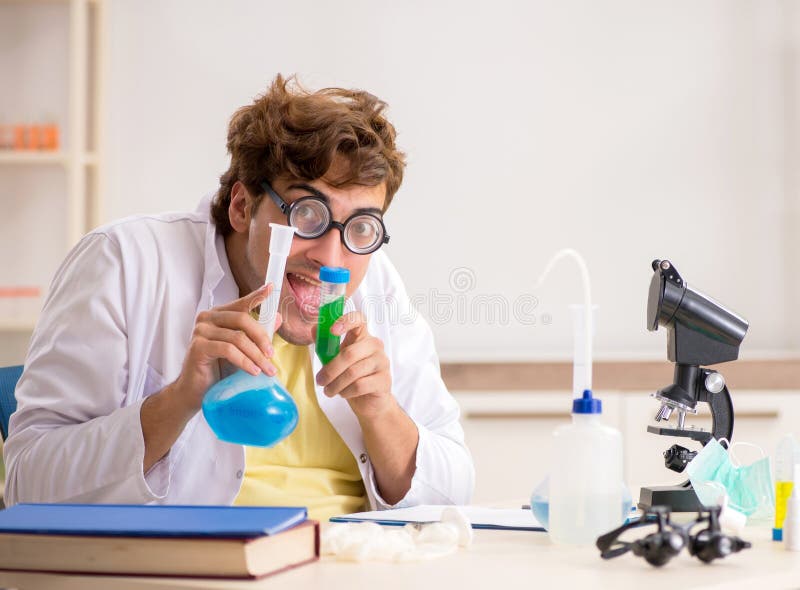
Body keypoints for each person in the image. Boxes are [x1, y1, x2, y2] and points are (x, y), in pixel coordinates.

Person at [3, 75, 474, 519]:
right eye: (308, 215)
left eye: (361, 226)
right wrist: (180, 399)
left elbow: (454, 494)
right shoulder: (125, 262)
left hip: (351, 564)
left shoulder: (372, 279)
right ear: (243, 206)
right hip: (198, 571)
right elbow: (28, 485)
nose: (332, 256)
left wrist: (380, 410)